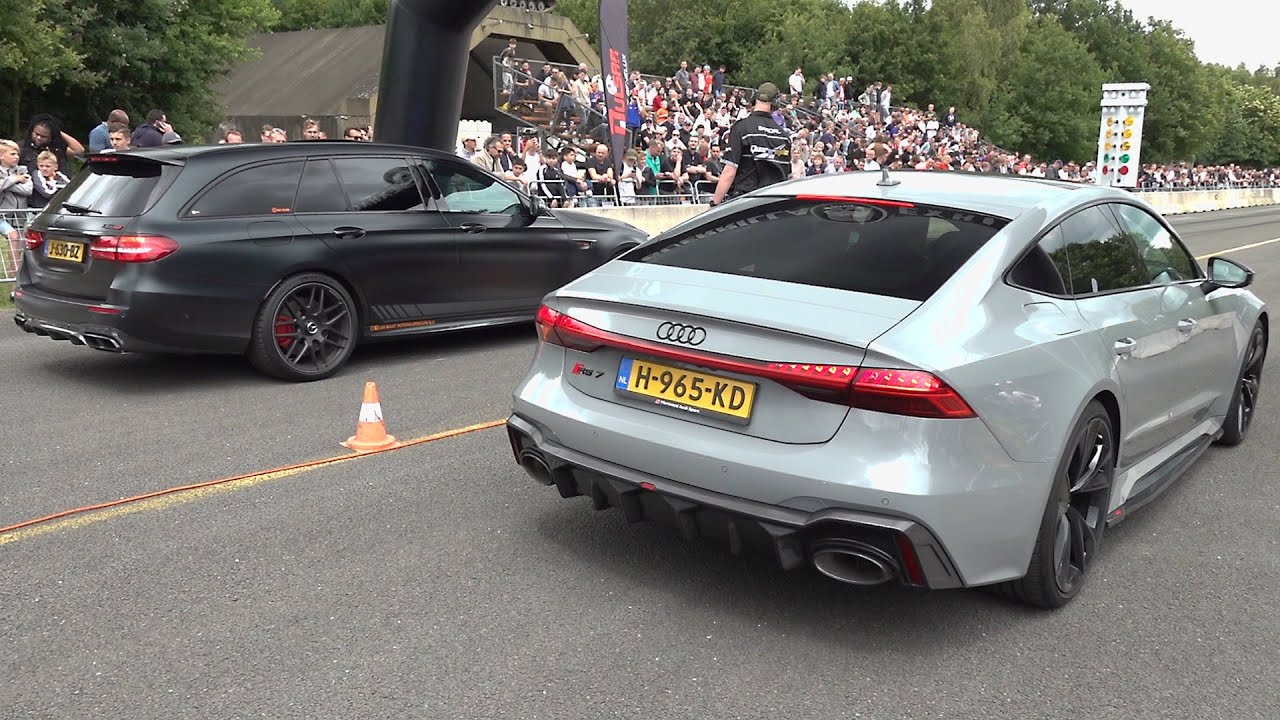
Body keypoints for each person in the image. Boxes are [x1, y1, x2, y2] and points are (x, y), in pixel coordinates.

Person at [710, 82, 791, 206]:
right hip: (775, 204)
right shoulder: (784, 136)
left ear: (754, 99)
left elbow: (729, 171)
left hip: (746, 203)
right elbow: (787, 175)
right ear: (776, 103)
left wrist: (714, 204)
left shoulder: (741, 128)